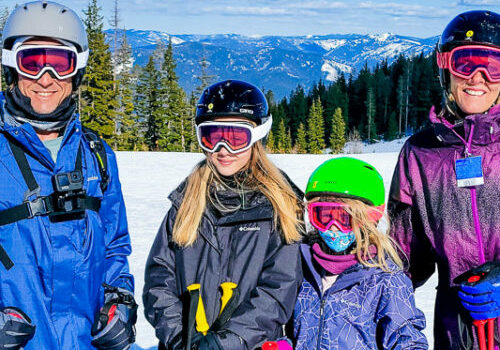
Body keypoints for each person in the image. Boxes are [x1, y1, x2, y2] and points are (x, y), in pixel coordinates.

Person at [0, 2, 136, 350]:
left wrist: (118, 303)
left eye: (60, 63)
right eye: (31, 61)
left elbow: (115, 246)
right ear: (11, 67)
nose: (46, 77)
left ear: (77, 72)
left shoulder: (97, 156)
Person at [143, 79, 304, 350]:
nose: (223, 150)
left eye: (236, 138)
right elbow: (159, 278)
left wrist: (226, 343)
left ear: (256, 136)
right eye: (212, 136)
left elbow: (279, 290)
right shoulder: (187, 202)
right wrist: (180, 338)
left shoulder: (281, 206)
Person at [388, 10, 500, 350]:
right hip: (456, 336)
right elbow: (404, 261)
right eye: (466, 63)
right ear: (445, 68)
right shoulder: (421, 154)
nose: (477, 77)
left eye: (492, 65)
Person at [293, 157, 428, 350]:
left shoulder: (385, 279)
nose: (333, 227)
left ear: (370, 218)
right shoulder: (301, 266)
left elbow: (407, 340)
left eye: (344, 217)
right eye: (323, 216)